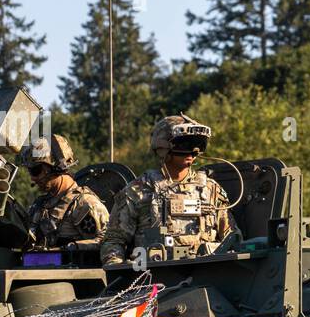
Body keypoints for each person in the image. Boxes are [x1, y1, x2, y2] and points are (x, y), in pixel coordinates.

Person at [100, 114, 239, 266]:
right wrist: (120, 272)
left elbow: (232, 238)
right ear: (163, 148)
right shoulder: (138, 191)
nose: (193, 150)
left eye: (198, 144)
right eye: (185, 144)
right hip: (154, 280)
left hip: (208, 275)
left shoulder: (211, 190)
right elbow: (113, 241)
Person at [18, 134, 109, 251]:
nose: (32, 178)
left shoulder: (85, 205)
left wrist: (70, 248)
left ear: (56, 167)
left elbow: (107, 244)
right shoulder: (39, 207)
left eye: (35, 170)